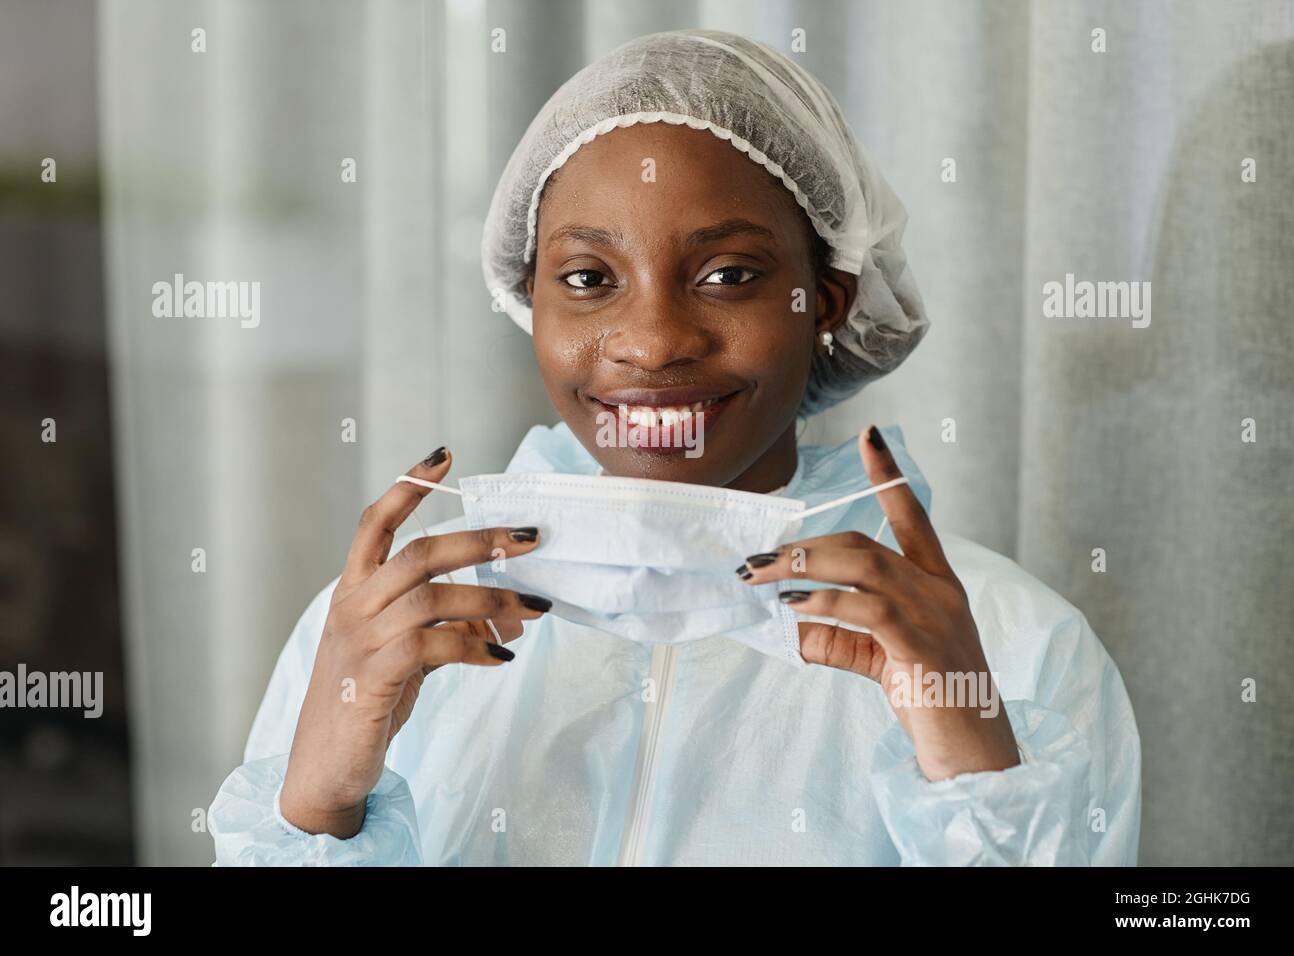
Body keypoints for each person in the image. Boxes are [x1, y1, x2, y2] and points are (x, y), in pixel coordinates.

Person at [208, 29, 1140, 866]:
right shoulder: (388, 625)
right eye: (587, 277)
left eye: (729, 275)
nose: (653, 341)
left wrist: (977, 773)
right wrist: (320, 801)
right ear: (527, 299)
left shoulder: (1019, 648)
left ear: (830, 299)